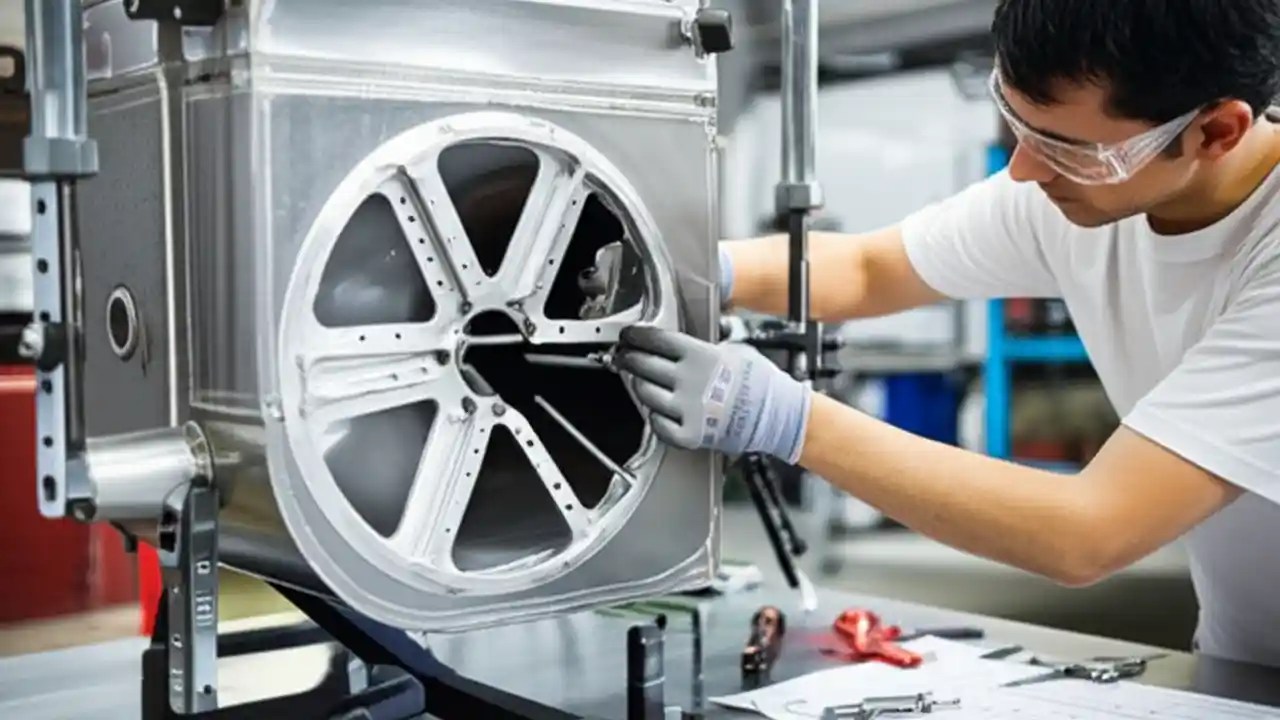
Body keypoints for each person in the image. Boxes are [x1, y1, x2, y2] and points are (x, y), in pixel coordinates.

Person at [613, 0, 1280, 667]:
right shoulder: (1079, 186)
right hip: (1237, 660)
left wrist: (785, 419)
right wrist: (693, 267)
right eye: (1017, 120)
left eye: (1064, 147)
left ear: (1216, 131)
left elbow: (1089, 531)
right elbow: (870, 269)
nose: (1023, 168)